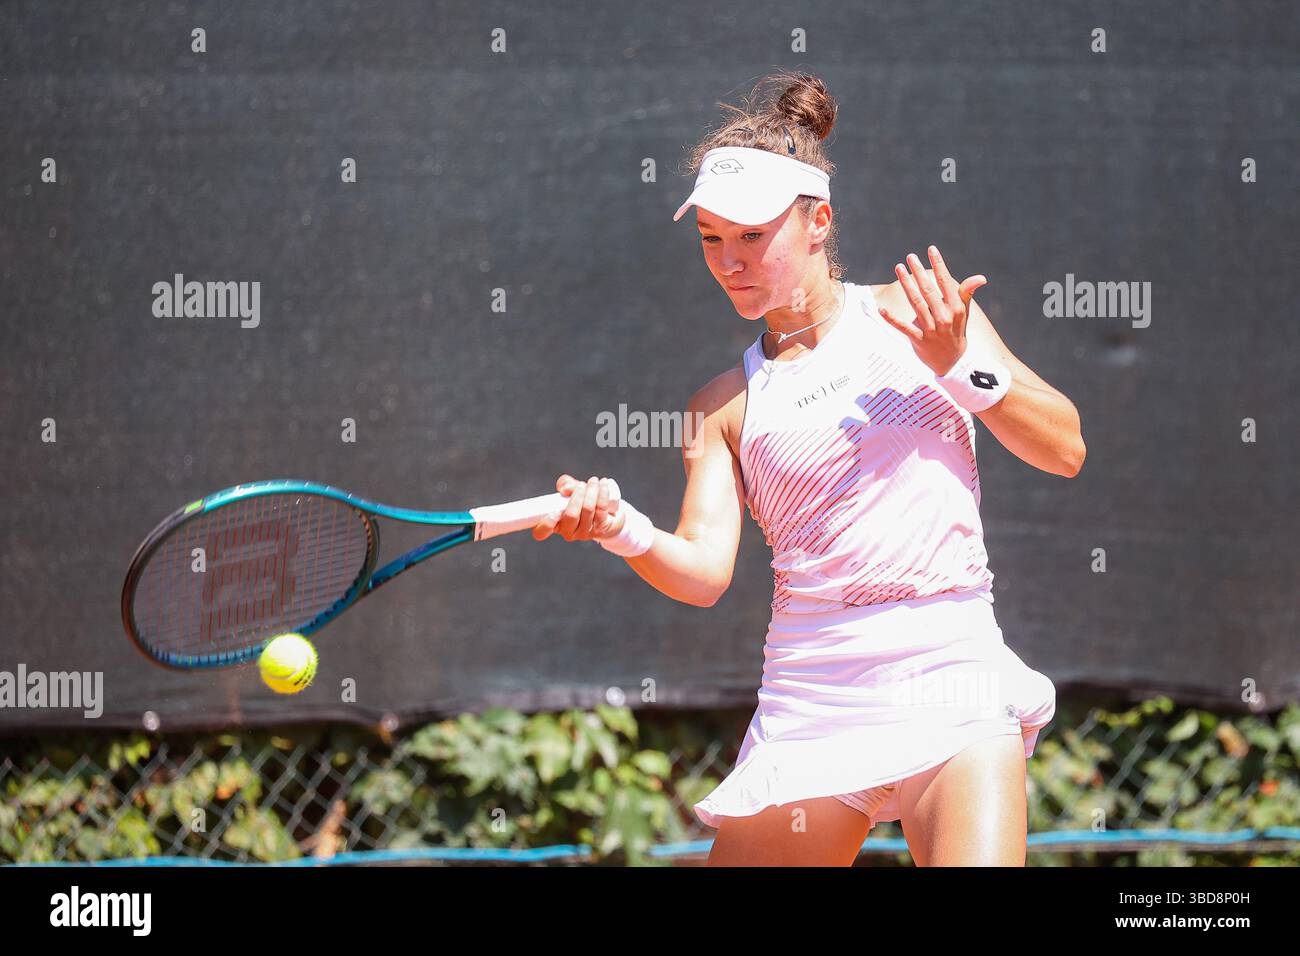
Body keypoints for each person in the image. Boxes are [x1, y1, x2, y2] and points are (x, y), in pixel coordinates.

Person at [531, 70, 1085, 866]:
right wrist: (619, 529)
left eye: (753, 236)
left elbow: (1064, 448)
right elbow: (701, 573)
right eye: (712, 240)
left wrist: (961, 365)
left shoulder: (920, 315)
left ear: (819, 221)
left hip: (951, 669)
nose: (730, 262)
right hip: (811, 693)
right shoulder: (721, 405)